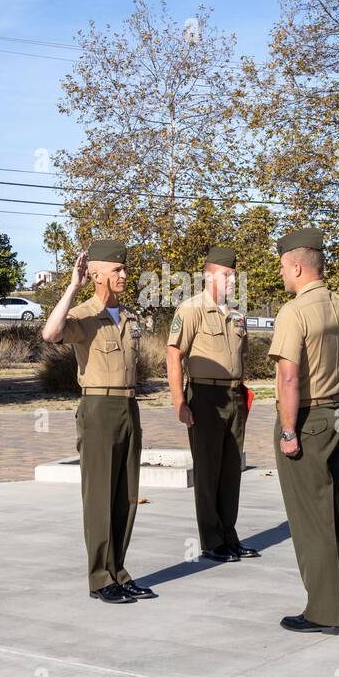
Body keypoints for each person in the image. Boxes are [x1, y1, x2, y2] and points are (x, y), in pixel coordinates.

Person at [41, 240, 156, 604]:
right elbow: (50, 333)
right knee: (100, 497)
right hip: (97, 409)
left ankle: (119, 571)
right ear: (95, 274)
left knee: (126, 496)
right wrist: (72, 285)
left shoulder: (131, 317)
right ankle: (99, 578)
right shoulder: (85, 315)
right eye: (116, 270)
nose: (124, 275)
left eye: (125, 269)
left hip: (128, 408)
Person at [267, 229, 339, 633]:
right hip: (338, 415)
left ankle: (323, 613)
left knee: (311, 521)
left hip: (307, 419)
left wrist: (288, 431)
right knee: (335, 513)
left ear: (296, 266)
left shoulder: (294, 312)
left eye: (282, 266)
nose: (281, 274)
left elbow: (288, 377)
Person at [166, 246, 259, 563]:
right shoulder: (190, 310)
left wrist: (243, 392)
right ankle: (211, 540)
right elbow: (174, 355)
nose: (233, 281)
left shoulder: (236, 314)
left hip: (234, 396)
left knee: (232, 468)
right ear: (208, 276)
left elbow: (239, 357)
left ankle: (228, 534)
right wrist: (180, 401)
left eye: (234, 276)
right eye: (226, 275)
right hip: (204, 397)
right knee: (208, 470)